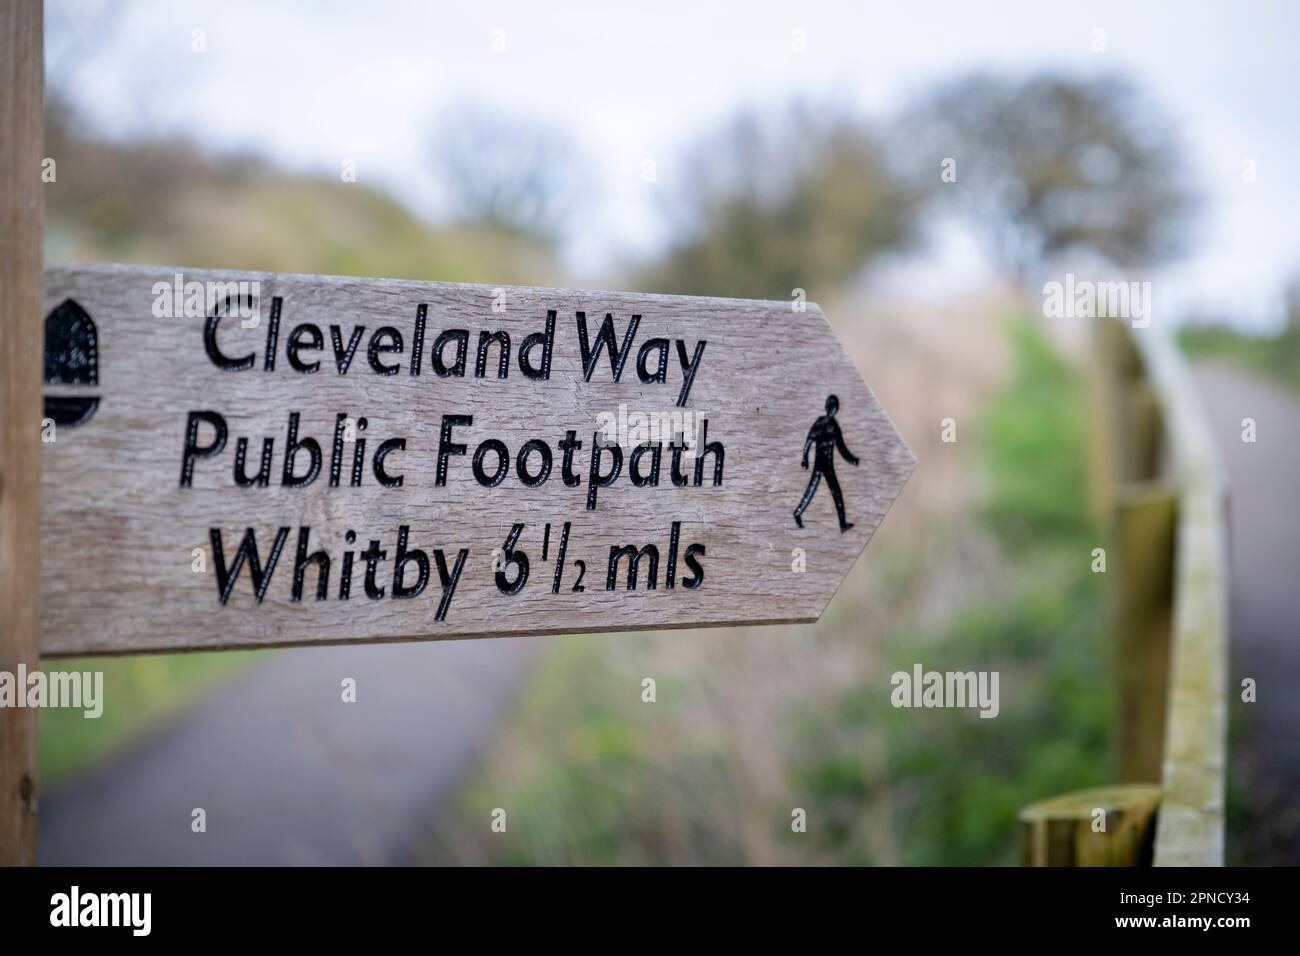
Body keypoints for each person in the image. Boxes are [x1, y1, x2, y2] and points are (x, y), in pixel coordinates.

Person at [794, 394, 859, 532]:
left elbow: (841, 447)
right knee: (813, 491)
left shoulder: (834, 426)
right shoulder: (820, 422)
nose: (833, 409)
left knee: (834, 492)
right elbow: (809, 439)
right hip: (820, 464)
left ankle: (842, 524)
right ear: (827, 407)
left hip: (827, 465)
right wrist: (804, 458)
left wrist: (852, 460)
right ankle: (798, 513)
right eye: (831, 406)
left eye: (835, 407)